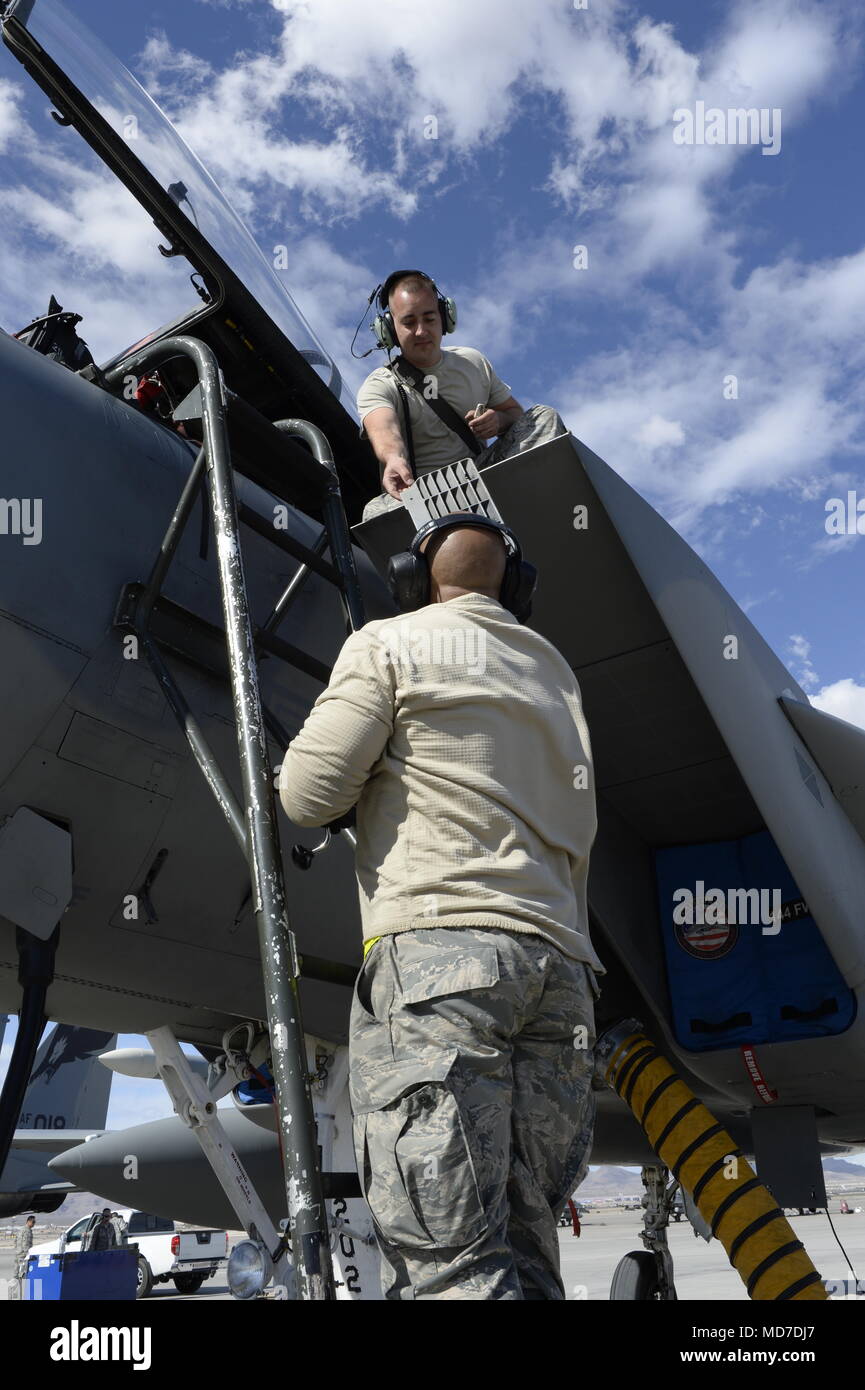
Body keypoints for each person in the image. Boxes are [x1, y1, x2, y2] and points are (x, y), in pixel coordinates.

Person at [278, 513, 603, 1299]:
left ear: (412, 580)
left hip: (442, 960)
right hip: (560, 976)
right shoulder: (552, 668)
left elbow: (307, 795)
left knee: (449, 1260)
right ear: (513, 589)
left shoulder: (390, 641)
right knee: (527, 1245)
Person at [358, 270, 568, 521]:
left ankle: (532, 509)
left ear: (445, 318)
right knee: (374, 513)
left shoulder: (473, 362)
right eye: (409, 322)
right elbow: (383, 429)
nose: (421, 331)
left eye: (429, 318)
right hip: (428, 497)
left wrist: (498, 421)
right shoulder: (380, 384)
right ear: (390, 329)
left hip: (484, 478)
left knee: (544, 416)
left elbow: (516, 415)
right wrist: (393, 457)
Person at [14, 1214, 35, 1284]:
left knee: (16, 1271)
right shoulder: (27, 1230)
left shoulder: (21, 1229)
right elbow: (25, 1243)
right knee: (22, 1271)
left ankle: (15, 1285)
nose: (34, 1224)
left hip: (18, 1252)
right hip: (23, 1254)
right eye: (33, 1222)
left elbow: (15, 1241)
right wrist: (28, 1253)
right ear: (28, 1221)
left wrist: (17, 1249)